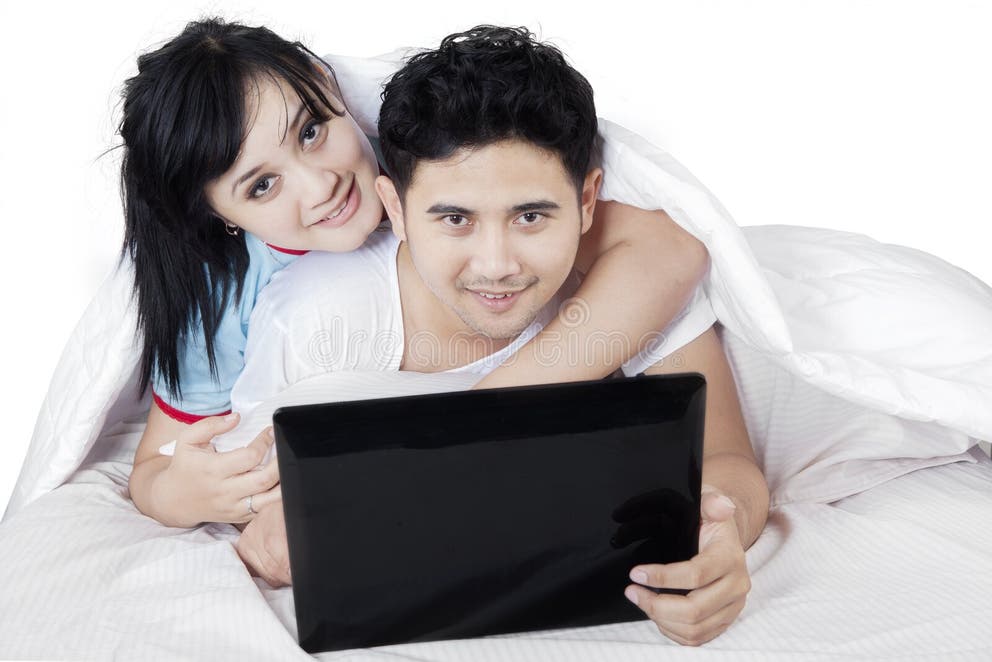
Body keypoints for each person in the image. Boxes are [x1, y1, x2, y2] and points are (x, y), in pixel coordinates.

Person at [234, 26, 769, 647]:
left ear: (588, 201)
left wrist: (722, 531)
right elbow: (250, 488)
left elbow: (729, 462)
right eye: (455, 219)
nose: (496, 266)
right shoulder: (314, 316)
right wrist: (266, 530)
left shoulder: (631, 289)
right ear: (396, 209)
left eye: (531, 216)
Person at [120, 19, 709, 529]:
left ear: (327, 86)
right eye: (262, 185)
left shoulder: (431, 150)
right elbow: (152, 465)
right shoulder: (224, 300)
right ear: (219, 215)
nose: (321, 185)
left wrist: (478, 418)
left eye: (310, 131)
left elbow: (669, 247)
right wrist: (176, 496)